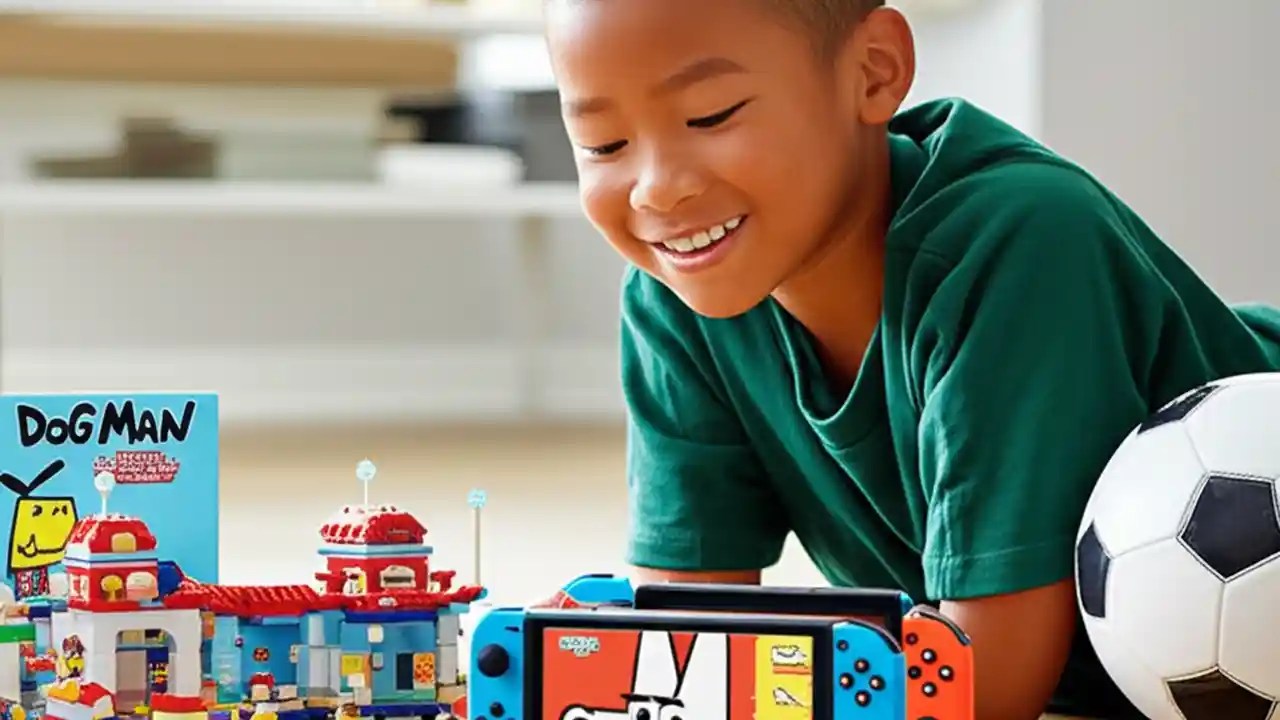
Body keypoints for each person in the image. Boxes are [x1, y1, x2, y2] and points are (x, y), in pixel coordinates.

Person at [541, 0, 1280, 717]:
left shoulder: (1016, 243)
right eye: (604, 146)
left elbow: (979, 689)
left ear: (873, 71)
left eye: (710, 116)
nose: (659, 187)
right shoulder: (677, 297)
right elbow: (692, 646)